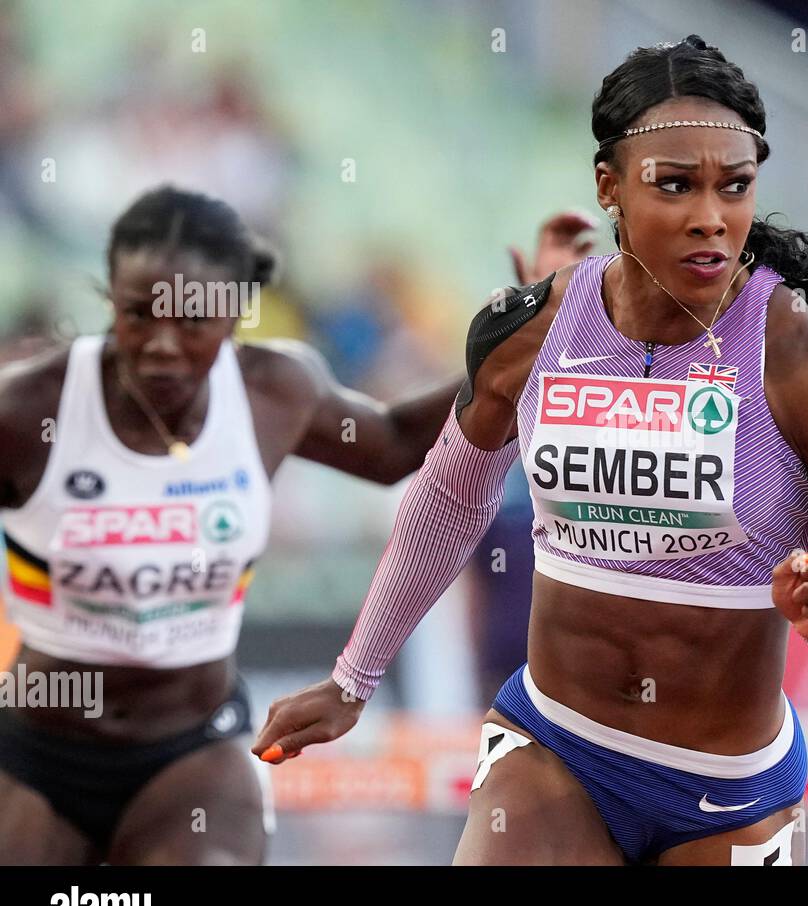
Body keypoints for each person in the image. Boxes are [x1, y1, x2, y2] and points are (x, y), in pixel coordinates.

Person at [255, 35, 808, 866]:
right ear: (609, 185)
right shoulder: (530, 326)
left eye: (734, 186)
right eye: (674, 185)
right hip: (556, 747)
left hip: (727, 792)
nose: (710, 216)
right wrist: (354, 678)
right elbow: (447, 499)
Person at [0, 185, 594, 864]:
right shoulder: (30, 410)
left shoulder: (271, 392)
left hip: (189, 754)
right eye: (140, 315)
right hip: (38, 756)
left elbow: (395, 444)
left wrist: (512, 354)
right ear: (110, 300)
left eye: (193, 319)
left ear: (234, 313)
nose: (163, 346)